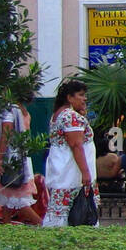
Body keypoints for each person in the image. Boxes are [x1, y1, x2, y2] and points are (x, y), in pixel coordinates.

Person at [42, 79, 98, 227]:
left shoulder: (59, 114)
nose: (84, 98)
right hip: (72, 173)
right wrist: (86, 173)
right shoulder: (70, 116)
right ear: (69, 97)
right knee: (76, 211)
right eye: (81, 95)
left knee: (60, 210)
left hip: (61, 169)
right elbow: (76, 145)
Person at [0, 88, 40, 224]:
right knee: (7, 198)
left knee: (18, 198)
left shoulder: (10, 109)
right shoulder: (23, 110)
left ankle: (43, 226)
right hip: (20, 156)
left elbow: (6, 132)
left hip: (11, 157)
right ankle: (6, 225)